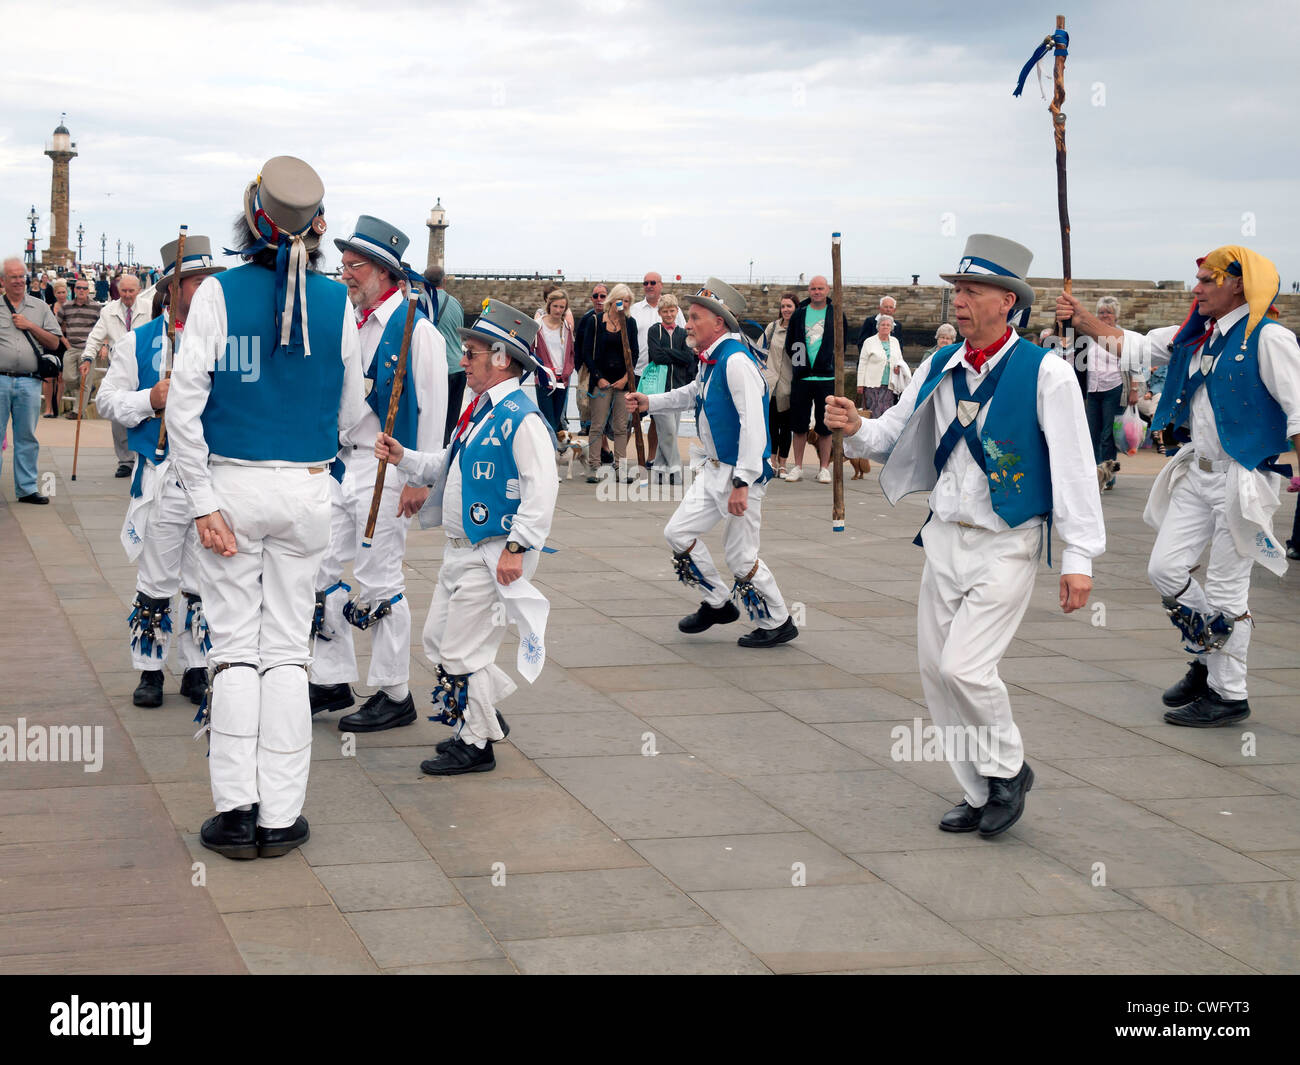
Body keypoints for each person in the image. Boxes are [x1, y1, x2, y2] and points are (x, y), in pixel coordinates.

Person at [826, 234, 1104, 838]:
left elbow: (1076, 467)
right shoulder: (939, 365)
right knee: (935, 672)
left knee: (966, 670)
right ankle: (978, 789)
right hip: (943, 537)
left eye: (972, 291)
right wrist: (855, 426)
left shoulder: (1047, 373)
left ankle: (1008, 771)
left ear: (1008, 302)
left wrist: (1079, 557)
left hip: (1007, 538)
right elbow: (890, 434)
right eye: (957, 290)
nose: (959, 300)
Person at [168, 156, 366, 860]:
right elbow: (351, 414)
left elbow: (185, 406)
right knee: (287, 648)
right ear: (315, 228)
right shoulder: (339, 303)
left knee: (233, 649)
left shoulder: (219, 294)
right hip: (307, 489)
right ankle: (282, 815)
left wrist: (200, 499)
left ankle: (237, 810)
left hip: (232, 486)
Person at [1058, 245, 1300, 728]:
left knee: (1229, 591)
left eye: (1208, 281)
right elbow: (1136, 347)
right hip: (1197, 471)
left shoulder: (1270, 339)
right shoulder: (1196, 335)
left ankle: (1228, 693)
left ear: (1239, 284)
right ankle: (1209, 656)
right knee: (1165, 569)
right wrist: (1083, 319)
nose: (1197, 288)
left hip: (1245, 476)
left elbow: (1299, 408)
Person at [375, 298, 559, 775]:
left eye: (473, 351)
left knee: (462, 650)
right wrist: (405, 458)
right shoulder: (480, 409)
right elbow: (448, 463)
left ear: (501, 358)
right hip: (461, 549)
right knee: (439, 642)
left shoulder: (522, 417)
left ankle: (476, 743)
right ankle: (482, 710)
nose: (463, 358)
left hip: (493, 550)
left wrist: (517, 549)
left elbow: (542, 491)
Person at [308, 216, 448, 730]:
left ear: (384, 273)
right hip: (343, 464)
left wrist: (420, 477)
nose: (344, 273)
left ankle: (394, 693)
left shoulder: (418, 329)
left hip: (389, 466)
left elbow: (433, 406)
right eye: (343, 264)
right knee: (320, 570)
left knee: (378, 579)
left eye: (354, 265)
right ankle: (331, 678)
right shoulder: (352, 319)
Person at [626, 278, 797, 648]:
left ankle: (779, 620)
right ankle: (718, 601)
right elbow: (693, 394)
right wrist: (649, 402)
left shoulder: (735, 361)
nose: (688, 324)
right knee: (678, 533)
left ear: (718, 322)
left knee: (740, 557)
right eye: (689, 317)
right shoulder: (712, 357)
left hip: (739, 474)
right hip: (715, 469)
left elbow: (755, 424)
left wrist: (743, 482)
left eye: (694, 317)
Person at [95, 235, 223, 708]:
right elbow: (106, 400)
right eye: (198, 281)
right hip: (163, 472)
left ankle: (195, 666)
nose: (208, 288)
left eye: (212, 279)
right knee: (156, 574)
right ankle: (149, 668)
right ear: (173, 288)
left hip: (210, 472)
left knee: (203, 575)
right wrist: (150, 400)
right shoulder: (138, 341)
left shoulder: (224, 341)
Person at [1, 257, 62, 503]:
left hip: (29, 381)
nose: (18, 281)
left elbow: (56, 342)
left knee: (26, 437)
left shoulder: (40, 307)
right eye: (12, 276)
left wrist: (30, 326)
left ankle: (26, 488)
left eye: (21, 276)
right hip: (1, 380)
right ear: (3, 281)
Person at [1066, 296, 1141, 490]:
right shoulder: (1088, 337)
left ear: (1116, 315)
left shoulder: (1122, 336)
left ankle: (1108, 476)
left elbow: (1136, 364)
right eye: (1101, 312)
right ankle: (1094, 474)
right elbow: (1075, 359)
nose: (1104, 315)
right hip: (1094, 389)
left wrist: (1134, 389)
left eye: (1108, 312)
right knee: (1092, 434)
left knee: (1108, 436)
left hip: (1114, 388)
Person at [83, 272, 150, 477]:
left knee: (145, 411)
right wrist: (87, 357)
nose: (127, 295)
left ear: (138, 291)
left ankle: (144, 455)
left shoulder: (149, 307)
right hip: (119, 367)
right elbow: (96, 336)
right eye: (123, 291)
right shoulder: (109, 310)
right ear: (118, 291)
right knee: (118, 414)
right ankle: (125, 460)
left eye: (131, 291)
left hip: (143, 365)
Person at [785, 274, 848, 483]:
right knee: (799, 424)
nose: (817, 292)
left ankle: (823, 467)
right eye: (813, 289)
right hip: (802, 379)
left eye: (820, 288)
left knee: (826, 425)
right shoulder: (799, 314)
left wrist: (827, 362)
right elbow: (791, 343)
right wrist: (801, 366)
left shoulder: (836, 313)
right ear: (809, 291)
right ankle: (798, 466)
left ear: (827, 290)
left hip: (826, 377)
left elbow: (842, 343)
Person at [630, 272, 686, 474]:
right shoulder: (636, 310)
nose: (649, 285)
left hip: (670, 379)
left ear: (660, 285)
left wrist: (670, 355)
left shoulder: (677, 316)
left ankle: (656, 460)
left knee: (661, 423)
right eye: (645, 282)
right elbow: (653, 352)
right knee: (633, 419)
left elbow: (686, 350)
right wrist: (675, 354)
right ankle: (630, 461)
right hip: (639, 371)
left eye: (653, 282)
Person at [584, 282, 637, 483]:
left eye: (627, 301)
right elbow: (587, 353)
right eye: (620, 301)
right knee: (597, 425)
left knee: (621, 426)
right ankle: (594, 466)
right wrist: (599, 377)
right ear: (612, 300)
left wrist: (626, 379)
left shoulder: (629, 323)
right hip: (601, 381)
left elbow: (635, 352)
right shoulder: (596, 321)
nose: (623, 304)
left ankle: (620, 467)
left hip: (622, 382)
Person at [643, 292, 694, 482]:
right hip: (658, 389)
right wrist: (676, 355)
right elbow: (657, 356)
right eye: (665, 311)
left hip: (678, 388)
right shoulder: (653, 331)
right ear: (660, 312)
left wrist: (668, 353)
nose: (669, 314)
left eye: (672, 310)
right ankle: (675, 470)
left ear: (677, 311)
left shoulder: (683, 333)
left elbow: (688, 358)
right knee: (669, 431)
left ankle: (659, 471)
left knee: (669, 432)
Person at [423, 265, 466, 445]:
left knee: (435, 421)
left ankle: (436, 459)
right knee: (452, 419)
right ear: (444, 280)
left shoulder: (423, 302)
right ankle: (449, 454)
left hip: (438, 369)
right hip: (459, 366)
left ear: (424, 282)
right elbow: (461, 335)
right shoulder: (455, 303)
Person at [531, 287, 574, 436]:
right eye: (555, 306)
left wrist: (568, 371)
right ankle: (546, 455)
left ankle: (553, 455)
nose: (558, 310)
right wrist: (539, 369)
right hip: (545, 379)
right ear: (548, 305)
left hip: (562, 379)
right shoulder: (538, 325)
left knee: (556, 421)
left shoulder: (567, 327)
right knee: (547, 420)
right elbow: (529, 350)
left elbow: (570, 353)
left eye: (562, 307)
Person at [762, 293, 796, 478]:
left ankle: (783, 464)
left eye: (789, 306)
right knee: (772, 426)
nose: (786, 309)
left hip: (789, 385)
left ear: (795, 308)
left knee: (786, 428)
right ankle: (772, 461)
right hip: (771, 383)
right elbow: (759, 350)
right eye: (783, 306)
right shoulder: (772, 327)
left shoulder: (799, 329)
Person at [55, 278, 99, 418]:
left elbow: (103, 328)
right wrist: (65, 342)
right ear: (74, 290)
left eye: (84, 288)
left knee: (84, 382)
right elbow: (55, 326)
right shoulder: (66, 306)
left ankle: (77, 412)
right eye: (79, 288)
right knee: (68, 377)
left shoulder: (96, 307)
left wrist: (103, 345)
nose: (81, 290)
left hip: (88, 350)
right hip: (71, 347)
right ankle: (88, 388)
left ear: (88, 290)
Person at [855, 313, 911, 418]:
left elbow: (900, 360)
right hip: (871, 384)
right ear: (878, 327)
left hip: (889, 383)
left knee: (887, 410)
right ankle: (872, 433)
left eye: (888, 325)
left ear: (892, 328)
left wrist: (899, 368)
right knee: (873, 410)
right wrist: (860, 384)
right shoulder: (869, 342)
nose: (885, 327)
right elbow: (862, 363)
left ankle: (883, 433)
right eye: (883, 325)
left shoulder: (895, 342)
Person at [573, 283, 608, 437]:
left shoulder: (611, 318)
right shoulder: (587, 318)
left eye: (602, 296)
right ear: (591, 298)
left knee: (601, 401)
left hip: (605, 367)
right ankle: (584, 426)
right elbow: (578, 343)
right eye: (596, 296)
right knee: (583, 400)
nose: (599, 299)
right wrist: (579, 365)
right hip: (586, 366)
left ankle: (600, 430)